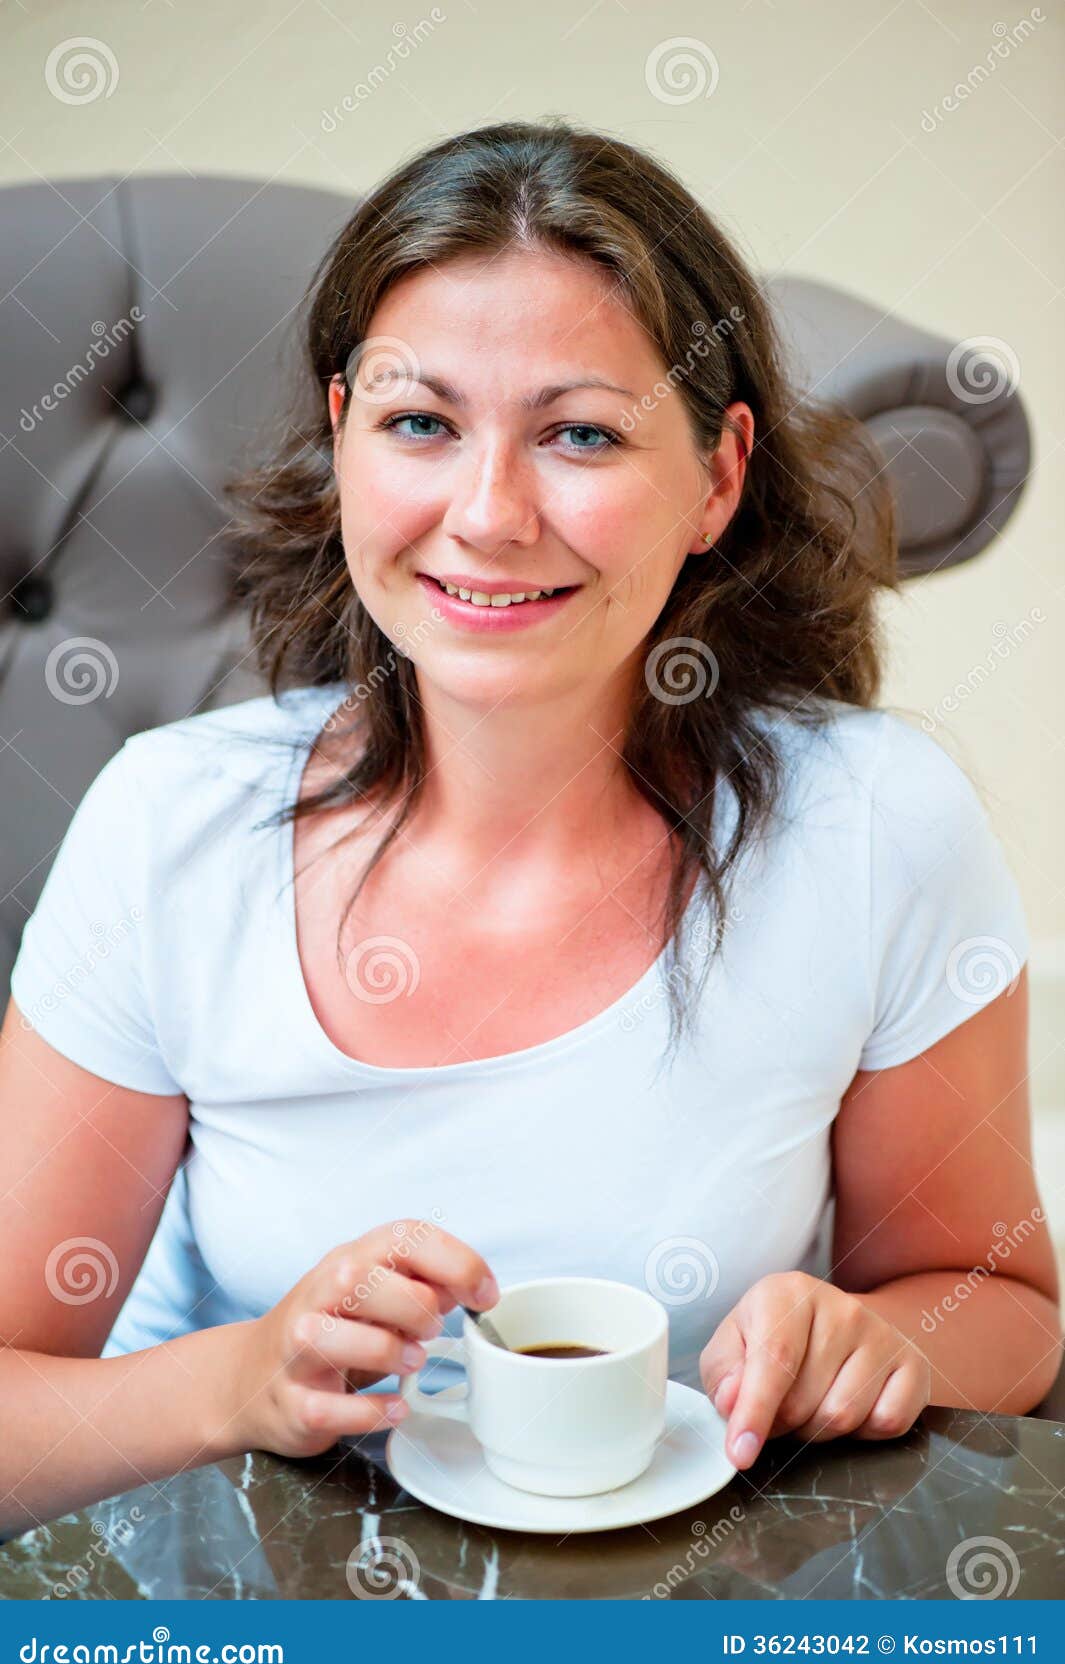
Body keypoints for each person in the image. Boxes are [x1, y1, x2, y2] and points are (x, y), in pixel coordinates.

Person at [1, 120, 1059, 1540]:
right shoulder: (166, 827)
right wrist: (237, 1383)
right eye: (419, 424)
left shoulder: (874, 825)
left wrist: (887, 1343)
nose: (489, 515)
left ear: (717, 476)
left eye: (581, 434)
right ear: (342, 436)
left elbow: (999, 1299)